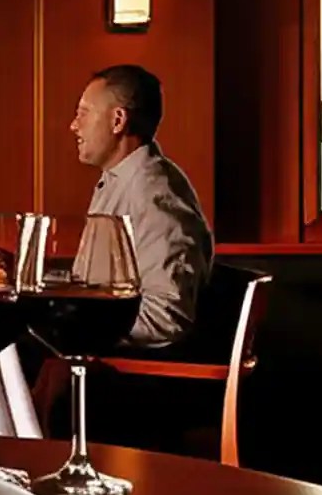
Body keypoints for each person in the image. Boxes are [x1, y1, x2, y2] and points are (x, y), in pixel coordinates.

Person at [32, 63, 213, 445]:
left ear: (117, 120)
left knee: (24, 360)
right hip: (119, 367)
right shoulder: (121, 181)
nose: (73, 126)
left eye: (82, 113)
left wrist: (80, 330)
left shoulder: (151, 194)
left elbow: (168, 317)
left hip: (149, 383)